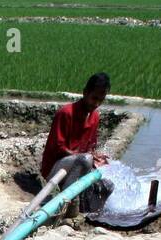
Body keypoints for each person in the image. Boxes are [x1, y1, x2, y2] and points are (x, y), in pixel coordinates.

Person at [40, 72, 116, 217]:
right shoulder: (66, 113)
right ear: (85, 92)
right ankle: (67, 205)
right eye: (94, 98)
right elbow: (59, 148)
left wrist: (97, 157)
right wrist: (86, 156)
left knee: (107, 184)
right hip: (57, 167)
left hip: (77, 163)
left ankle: (90, 212)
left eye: (101, 100)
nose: (97, 104)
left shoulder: (94, 116)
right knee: (85, 160)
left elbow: (89, 147)